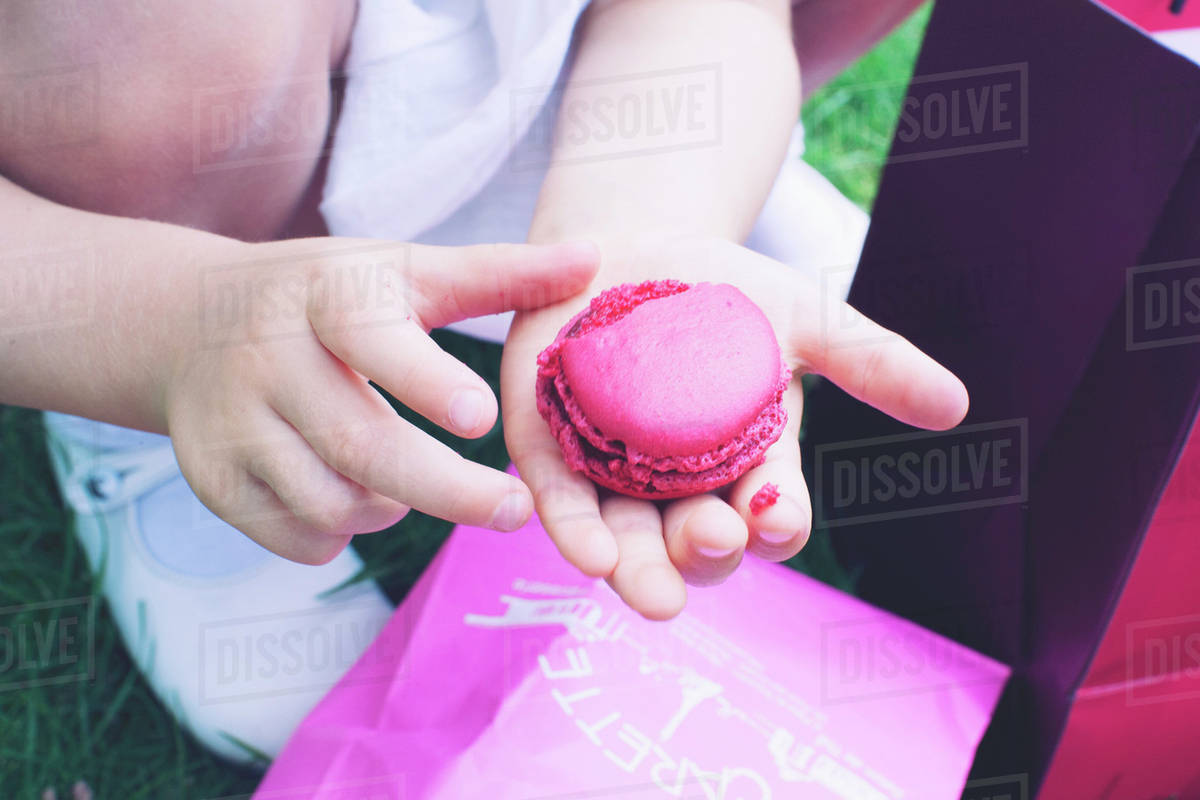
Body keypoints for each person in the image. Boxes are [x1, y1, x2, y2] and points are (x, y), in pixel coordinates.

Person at [0, 0, 964, 766]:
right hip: (163, 162)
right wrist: (156, 322)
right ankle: (176, 370)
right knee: (134, 39)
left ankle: (594, 162)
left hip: (574, 54)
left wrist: (644, 218)